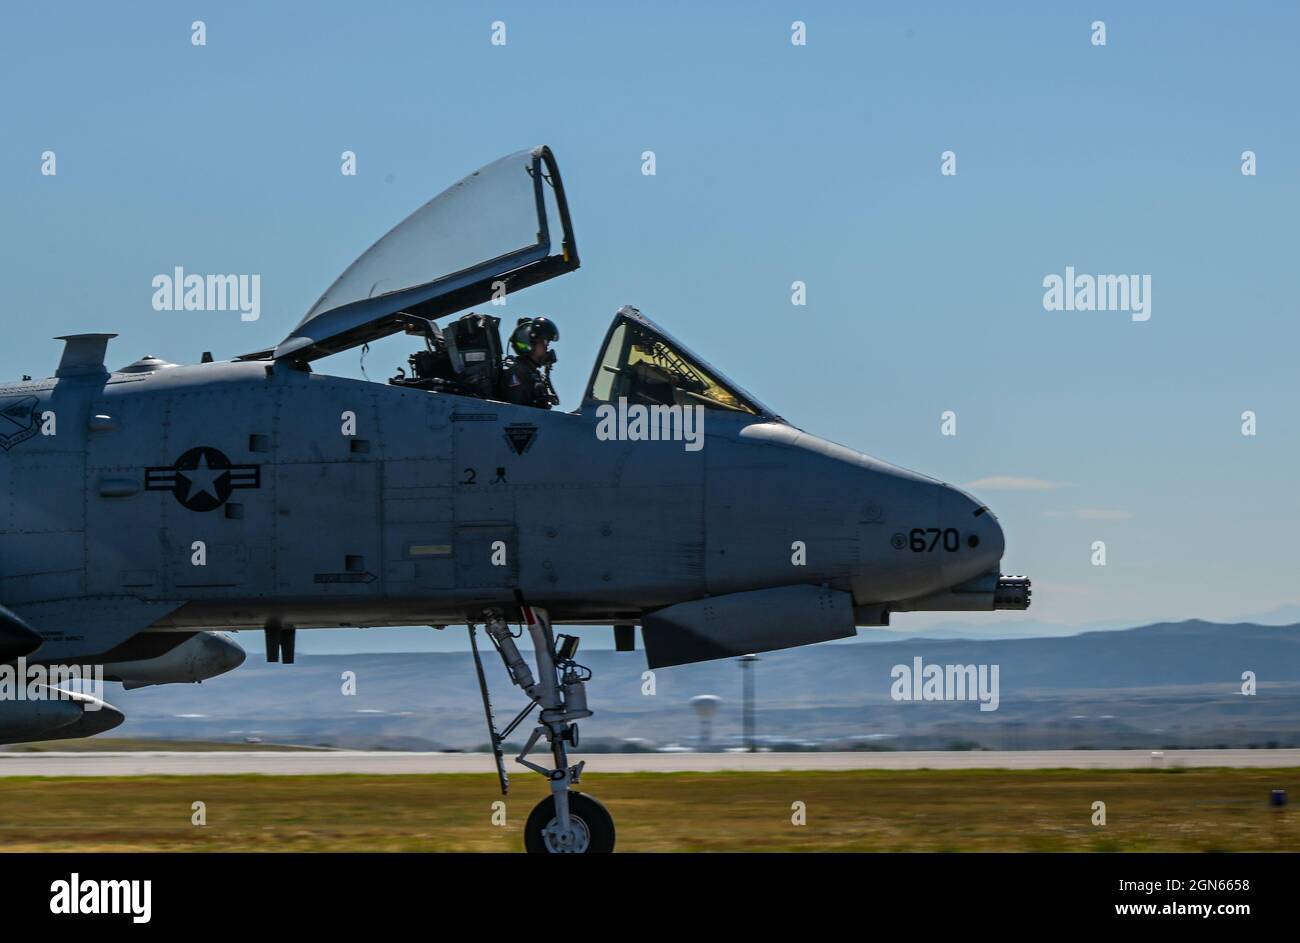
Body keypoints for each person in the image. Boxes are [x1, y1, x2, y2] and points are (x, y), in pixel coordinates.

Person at [501, 317, 560, 409]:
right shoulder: (518, 373)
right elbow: (515, 413)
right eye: (545, 342)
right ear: (530, 343)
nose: (547, 348)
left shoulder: (534, 374)